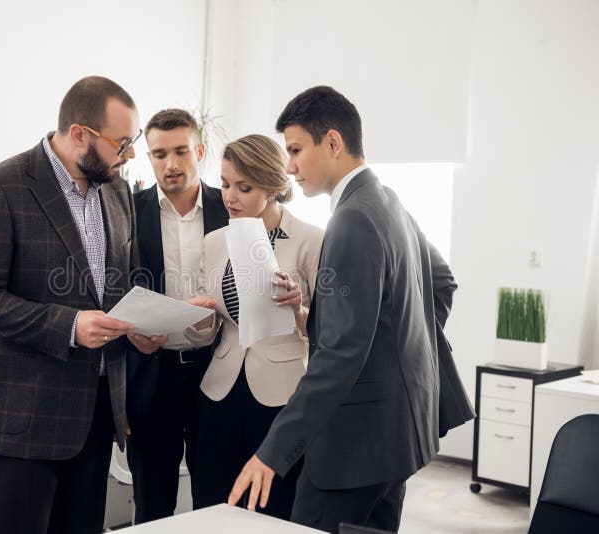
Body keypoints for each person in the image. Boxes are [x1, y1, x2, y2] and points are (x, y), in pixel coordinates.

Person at [228, 86, 457, 533]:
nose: (289, 165)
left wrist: (271, 453)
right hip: (400, 435)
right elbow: (441, 282)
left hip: (355, 443)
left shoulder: (351, 218)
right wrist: (396, 358)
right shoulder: (388, 200)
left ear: (333, 142)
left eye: (295, 150)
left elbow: (341, 353)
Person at [0, 75, 165, 534]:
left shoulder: (117, 191)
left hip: (94, 418)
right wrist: (67, 326)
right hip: (22, 421)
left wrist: (140, 328)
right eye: (122, 143)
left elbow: (122, 285)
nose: (130, 154)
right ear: (79, 135)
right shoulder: (1, 187)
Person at [183, 134, 323, 521]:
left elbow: (330, 330)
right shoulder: (215, 242)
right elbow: (207, 332)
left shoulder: (311, 241)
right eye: (226, 184)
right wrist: (198, 321)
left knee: (273, 510)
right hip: (219, 392)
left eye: (244, 187)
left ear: (274, 186)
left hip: (282, 397)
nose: (230, 196)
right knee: (211, 505)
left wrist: (298, 308)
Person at [125, 109, 229, 523]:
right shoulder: (128, 211)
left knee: (217, 498)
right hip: (152, 376)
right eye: (159, 154)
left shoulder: (232, 207)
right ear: (148, 157)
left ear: (199, 151)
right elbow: (112, 291)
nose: (171, 164)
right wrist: (129, 333)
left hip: (215, 372)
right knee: (152, 503)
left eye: (181, 151)